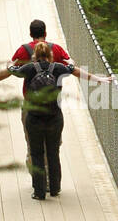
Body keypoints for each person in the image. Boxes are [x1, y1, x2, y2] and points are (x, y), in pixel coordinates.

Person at [0, 43, 108, 200]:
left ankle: (39, 192)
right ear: (50, 55)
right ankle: (55, 189)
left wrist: (10, 66)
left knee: (37, 154)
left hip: (34, 117)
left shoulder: (29, 68)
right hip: (54, 117)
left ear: (34, 56)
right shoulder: (58, 67)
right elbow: (74, 70)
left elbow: (13, 71)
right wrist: (96, 78)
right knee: (53, 153)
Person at [11, 20, 72, 172]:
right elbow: (70, 64)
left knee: (33, 143)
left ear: (30, 34)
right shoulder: (56, 49)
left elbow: (12, 67)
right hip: (53, 107)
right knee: (52, 146)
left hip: (31, 106)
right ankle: (52, 181)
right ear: (45, 33)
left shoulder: (23, 50)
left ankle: (37, 176)